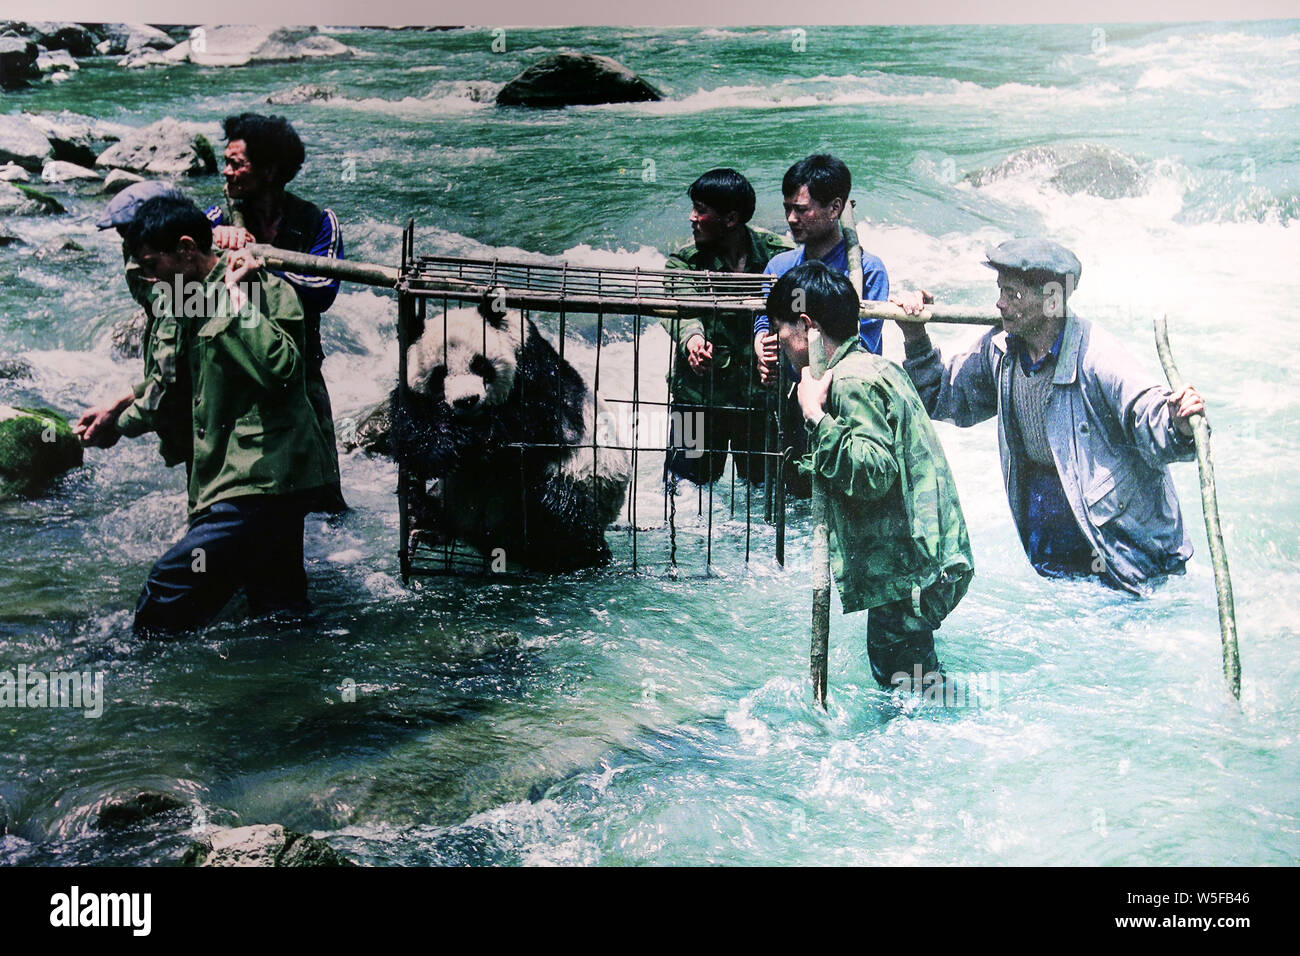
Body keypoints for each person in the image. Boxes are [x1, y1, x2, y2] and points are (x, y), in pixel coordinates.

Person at [81, 195, 337, 636]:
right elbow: (171, 383)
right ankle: (293, 694)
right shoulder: (184, 296)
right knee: (277, 611)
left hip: (266, 478)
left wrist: (234, 298)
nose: (148, 276)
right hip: (234, 477)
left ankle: (140, 680)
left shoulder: (264, 290)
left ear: (185, 249)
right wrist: (118, 410)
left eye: (152, 264)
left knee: (169, 587)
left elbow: (283, 372)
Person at [895, 238, 1205, 593]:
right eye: (1000, 291)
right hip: (1049, 522)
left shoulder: (1098, 355)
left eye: (1013, 294)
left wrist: (1178, 421)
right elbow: (943, 397)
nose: (999, 303)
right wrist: (915, 335)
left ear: (1053, 301)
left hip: (1119, 540)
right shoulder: (1000, 349)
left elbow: (1147, 410)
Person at [768, 261, 973, 690]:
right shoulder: (872, 366)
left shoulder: (848, 382)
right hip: (923, 560)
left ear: (807, 327)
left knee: (908, 688)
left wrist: (814, 416)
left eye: (781, 329)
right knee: (913, 680)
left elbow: (873, 471)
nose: (778, 341)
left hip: (909, 570)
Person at [205, 112, 346, 512]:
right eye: (226, 162)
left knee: (322, 493)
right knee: (233, 485)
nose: (227, 172)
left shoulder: (318, 222)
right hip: (234, 370)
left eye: (236, 163)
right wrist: (214, 242)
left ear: (268, 171)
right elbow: (182, 282)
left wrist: (263, 263)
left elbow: (322, 291)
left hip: (299, 368)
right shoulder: (217, 221)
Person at [751, 154, 891, 495]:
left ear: (835, 208)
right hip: (789, 404)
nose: (791, 219)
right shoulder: (779, 265)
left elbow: (864, 343)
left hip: (843, 407)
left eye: (802, 209)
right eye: (788, 208)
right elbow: (763, 317)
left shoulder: (866, 271)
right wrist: (762, 345)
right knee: (789, 493)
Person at [661, 168, 792, 486]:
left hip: (759, 398)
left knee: (766, 491)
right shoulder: (686, 261)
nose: (692, 218)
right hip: (695, 398)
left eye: (701, 210)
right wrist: (693, 341)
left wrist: (780, 346)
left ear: (731, 219)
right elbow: (682, 310)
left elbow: (799, 312)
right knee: (681, 489)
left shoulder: (780, 257)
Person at [76, 182, 193, 471]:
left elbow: (172, 389)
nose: (135, 265)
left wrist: (117, 423)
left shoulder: (185, 298)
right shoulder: (172, 286)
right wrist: (118, 406)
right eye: (126, 243)